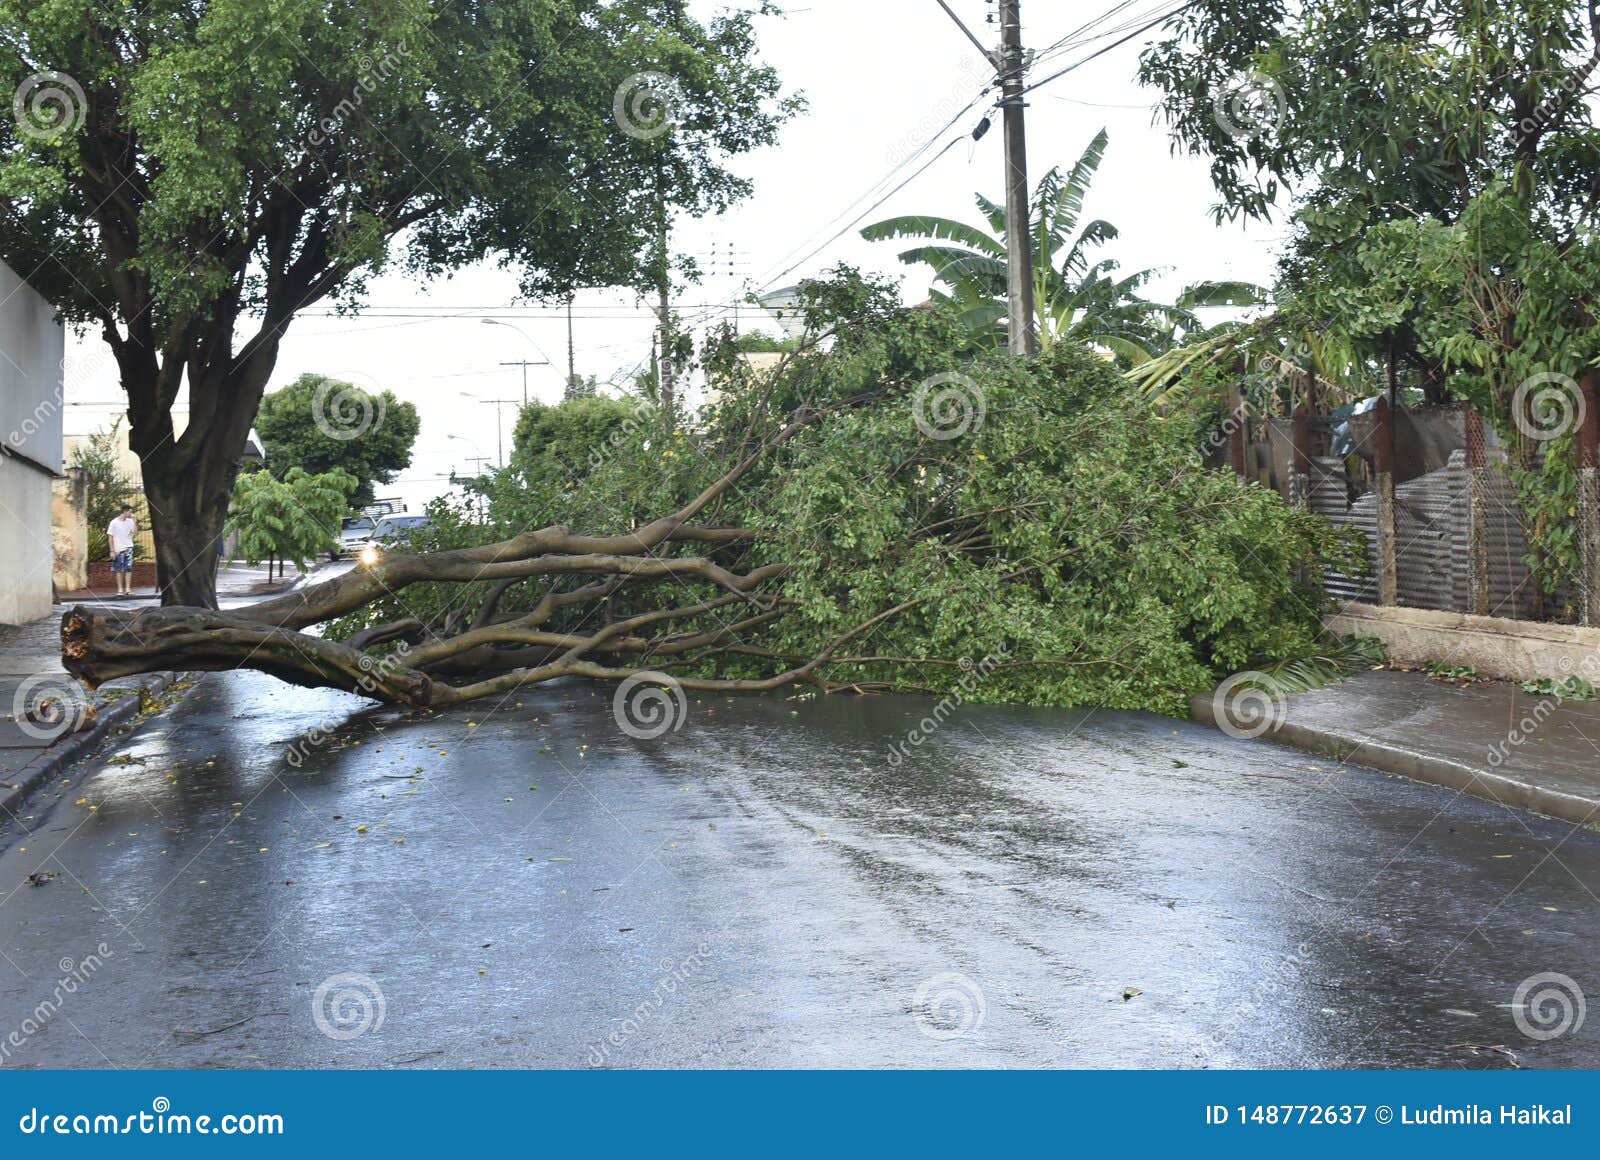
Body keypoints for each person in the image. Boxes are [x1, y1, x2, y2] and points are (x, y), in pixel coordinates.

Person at [107, 503, 137, 596]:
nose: (131, 514)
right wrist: (112, 550)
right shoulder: (114, 522)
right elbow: (110, 537)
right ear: (125, 511)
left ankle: (128, 589)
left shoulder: (130, 521)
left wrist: (135, 522)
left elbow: (135, 533)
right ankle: (120, 589)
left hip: (129, 548)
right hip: (118, 549)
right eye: (130, 512)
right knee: (118, 570)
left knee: (128, 569)